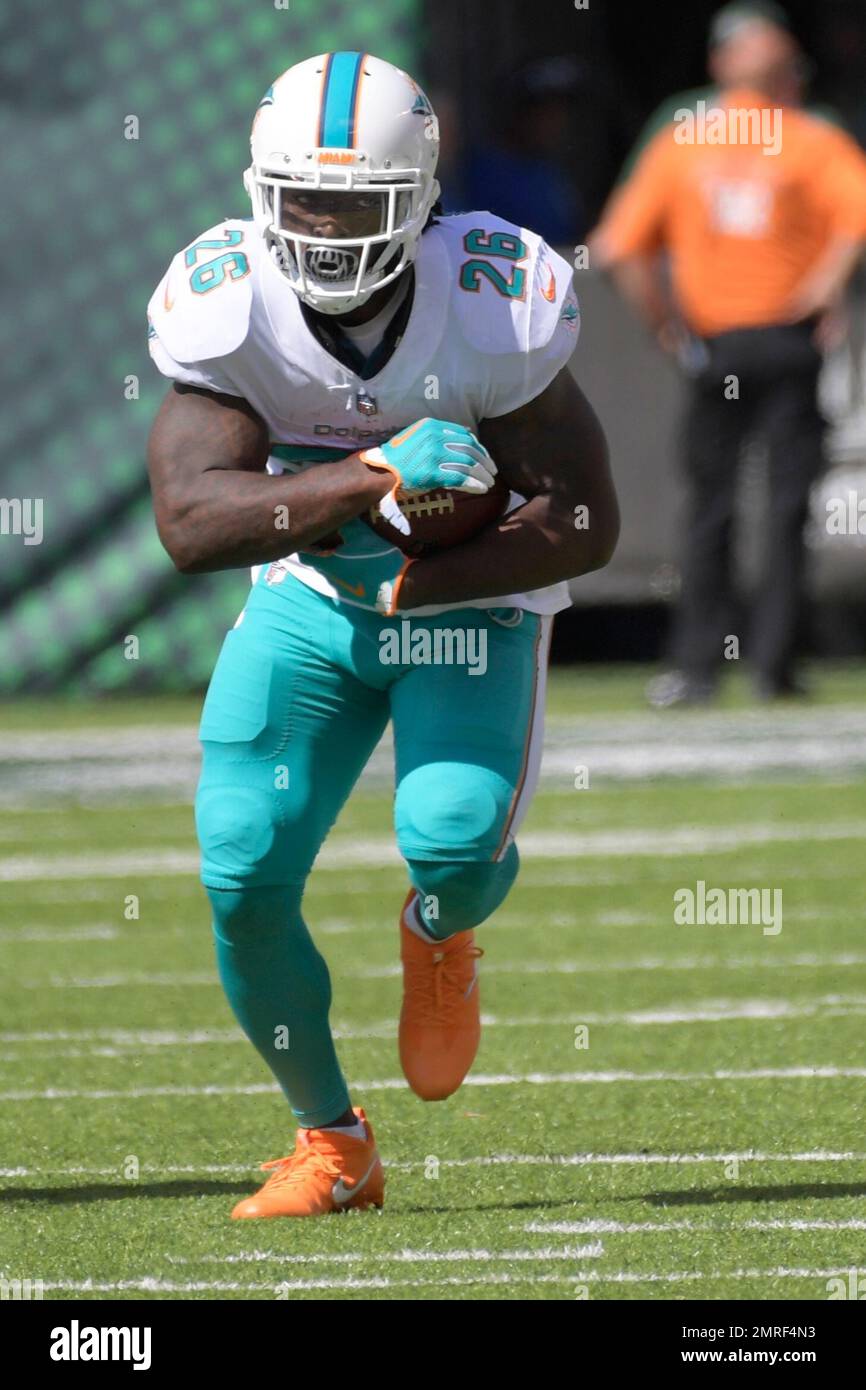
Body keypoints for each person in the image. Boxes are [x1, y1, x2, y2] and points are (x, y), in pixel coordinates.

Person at [146, 52, 618, 1219]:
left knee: (450, 838)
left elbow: (586, 518)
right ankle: (332, 1143)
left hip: (465, 611)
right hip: (310, 605)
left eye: (349, 204)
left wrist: (436, 570)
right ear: (260, 189)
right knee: (242, 866)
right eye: (298, 198)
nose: (317, 230)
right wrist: (367, 478)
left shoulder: (495, 300)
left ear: (416, 200)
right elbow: (192, 523)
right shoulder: (227, 299)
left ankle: (437, 928)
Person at [591, 10, 866, 704]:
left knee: (711, 507)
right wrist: (825, 284)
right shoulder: (809, 136)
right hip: (787, 338)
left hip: (717, 346)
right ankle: (773, 664)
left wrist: (666, 327)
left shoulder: (685, 140)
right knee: (785, 505)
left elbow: (618, 247)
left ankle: (695, 664)